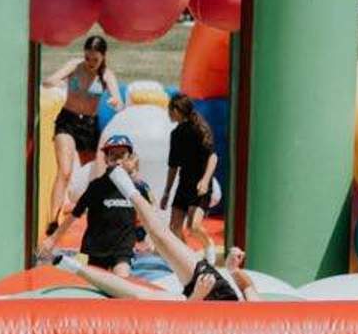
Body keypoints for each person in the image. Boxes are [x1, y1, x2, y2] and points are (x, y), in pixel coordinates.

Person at [46, 176, 248, 302]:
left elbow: (189, 319)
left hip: (197, 299)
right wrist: (234, 271)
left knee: (138, 295)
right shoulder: (254, 319)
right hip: (214, 288)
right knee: (161, 237)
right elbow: (249, 289)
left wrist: (197, 296)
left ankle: (72, 266)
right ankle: (128, 187)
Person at [45, 134, 149, 275]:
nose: (117, 160)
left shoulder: (136, 188)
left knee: (122, 278)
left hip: (122, 250)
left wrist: (149, 240)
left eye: (122, 155)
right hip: (97, 249)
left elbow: (147, 216)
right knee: (98, 287)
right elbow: (75, 214)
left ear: (129, 158)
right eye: (113, 155)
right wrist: (53, 239)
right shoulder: (96, 187)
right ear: (106, 159)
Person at [41, 35, 123, 182]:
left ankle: (85, 203)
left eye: (95, 60)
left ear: (103, 57)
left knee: (92, 175)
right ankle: (57, 205)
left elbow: (119, 101)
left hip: (89, 125)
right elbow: (48, 81)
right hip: (68, 119)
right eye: (87, 58)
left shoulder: (106, 75)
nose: (90, 63)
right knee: (65, 171)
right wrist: (57, 83)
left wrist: (115, 101)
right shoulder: (75, 66)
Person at [164, 93, 221, 246]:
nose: (168, 113)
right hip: (184, 184)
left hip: (200, 186)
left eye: (169, 110)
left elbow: (213, 157)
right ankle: (187, 257)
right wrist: (167, 192)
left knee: (193, 226)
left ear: (176, 110)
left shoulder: (199, 130)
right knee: (174, 227)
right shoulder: (175, 134)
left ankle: (208, 245)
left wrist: (205, 180)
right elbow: (173, 166)